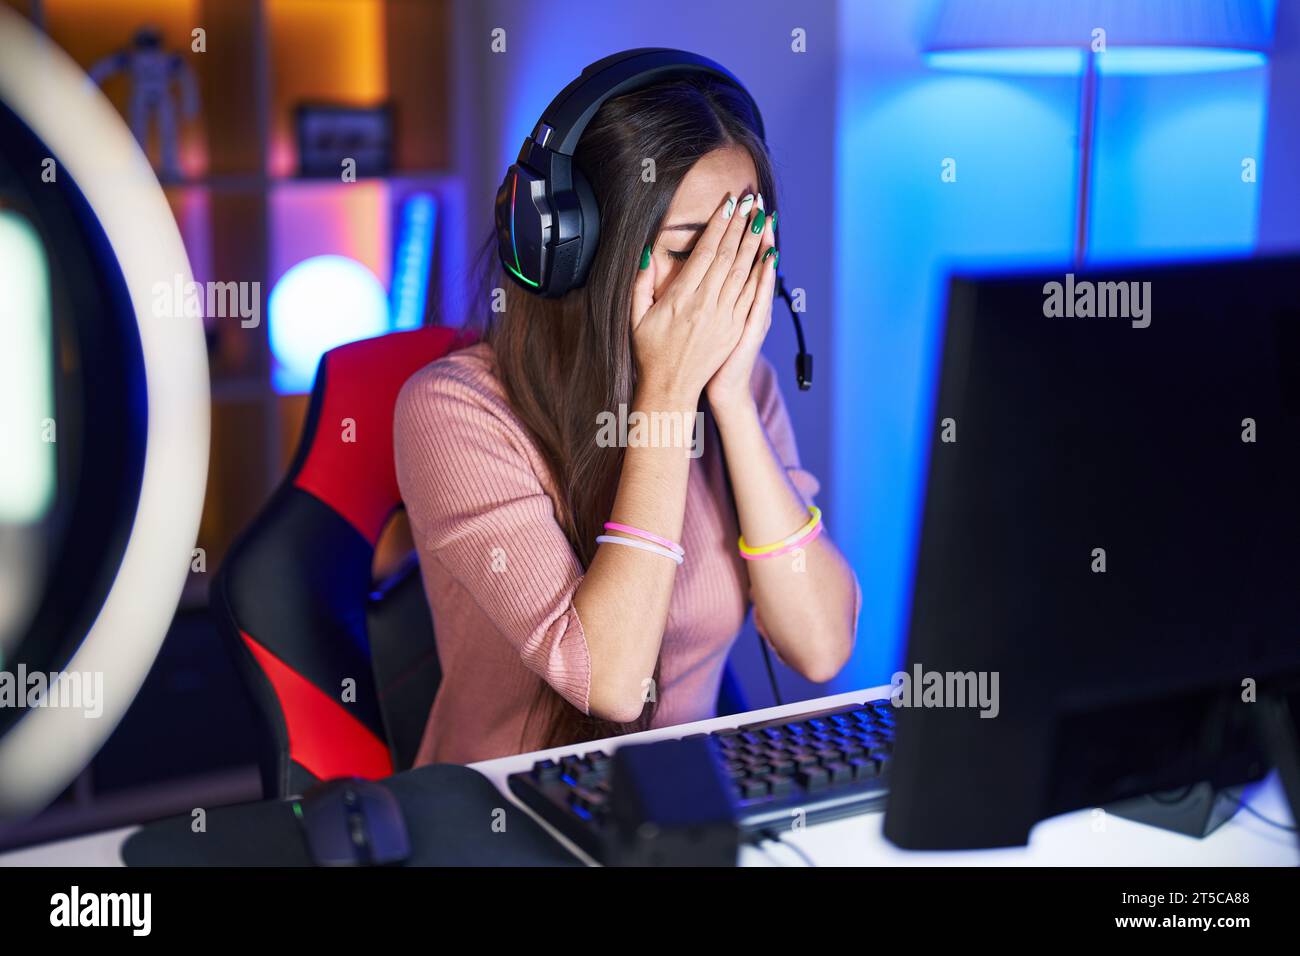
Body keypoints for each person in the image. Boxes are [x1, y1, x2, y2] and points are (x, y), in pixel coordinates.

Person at [395, 71, 860, 764]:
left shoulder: (742, 389)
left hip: (682, 802)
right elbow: (609, 683)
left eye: (746, 245)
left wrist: (733, 403)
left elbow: (820, 647)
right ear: (576, 251)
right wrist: (665, 397)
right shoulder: (454, 410)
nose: (725, 283)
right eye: (690, 251)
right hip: (503, 807)